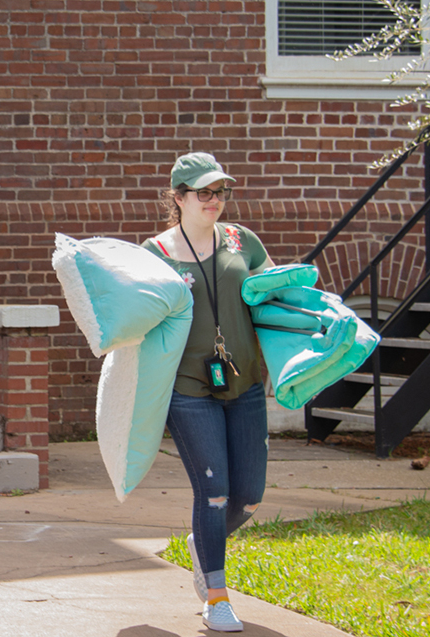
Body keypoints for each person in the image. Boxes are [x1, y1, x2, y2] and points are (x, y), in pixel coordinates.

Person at [142, 152, 271, 633]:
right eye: (204, 193)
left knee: (250, 497)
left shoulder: (241, 240)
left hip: (244, 382)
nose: (214, 201)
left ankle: (202, 543)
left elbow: (270, 296)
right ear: (178, 198)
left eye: (220, 192)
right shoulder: (154, 252)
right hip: (187, 388)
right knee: (214, 492)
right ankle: (217, 596)